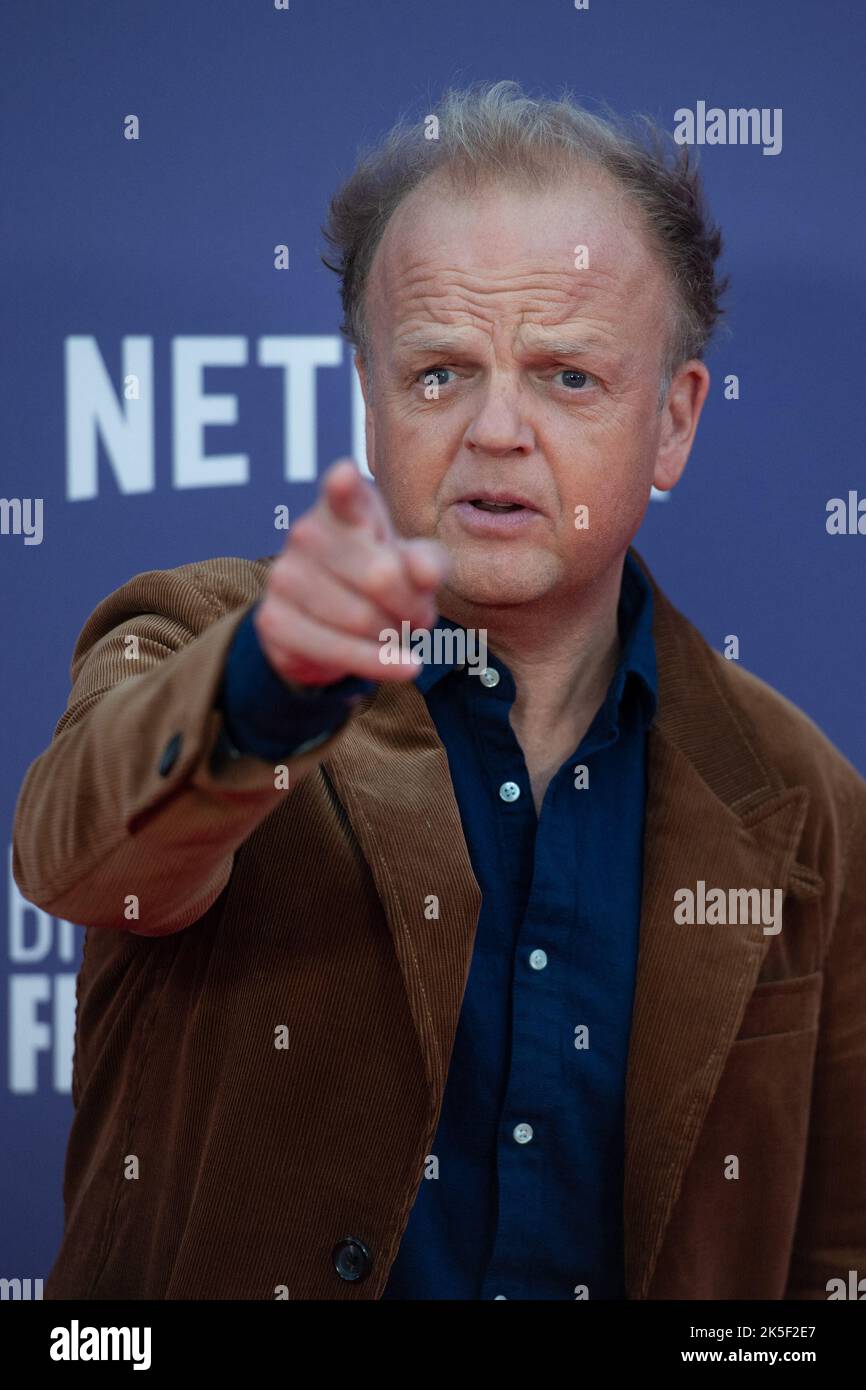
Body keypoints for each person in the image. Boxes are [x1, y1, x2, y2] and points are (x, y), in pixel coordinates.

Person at [13, 81, 866, 1300]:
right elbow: (80, 858)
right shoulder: (200, 637)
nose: (496, 430)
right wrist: (263, 691)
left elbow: (836, 1260)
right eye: (438, 374)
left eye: (568, 376)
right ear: (367, 395)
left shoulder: (804, 799)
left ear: (672, 423)